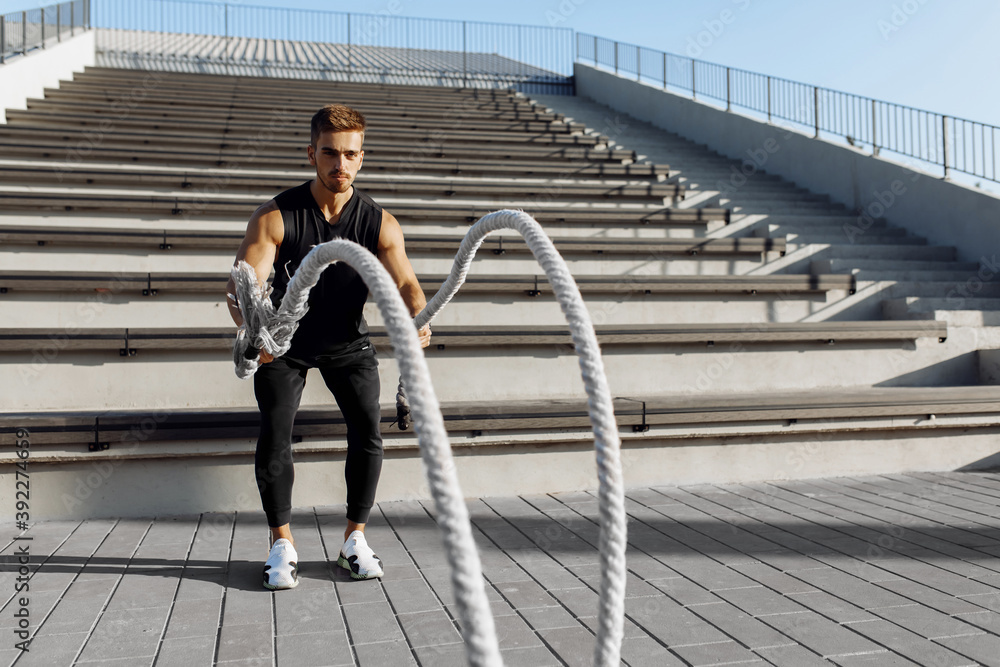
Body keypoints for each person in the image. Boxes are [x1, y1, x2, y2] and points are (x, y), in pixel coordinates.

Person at [225, 103, 431, 589]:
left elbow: (407, 285)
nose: (341, 164)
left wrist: (416, 318)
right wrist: (257, 333)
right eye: (331, 153)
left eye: (351, 155)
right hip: (285, 344)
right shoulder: (276, 216)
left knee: (368, 431)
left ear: (362, 157)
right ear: (312, 153)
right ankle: (282, 543)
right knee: (275, 436)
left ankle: (353, 540)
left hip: (346, 341)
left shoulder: (379, 223)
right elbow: (242, 288)